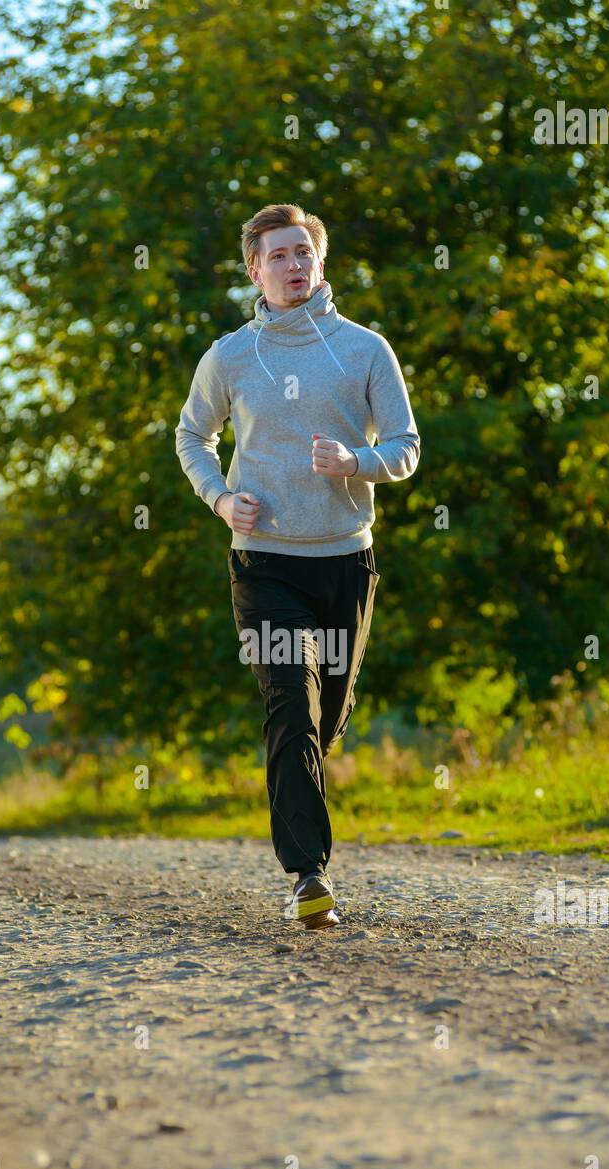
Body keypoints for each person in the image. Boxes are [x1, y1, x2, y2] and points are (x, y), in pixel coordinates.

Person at [175, 203, 420, 927]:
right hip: (264, 564)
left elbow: (405, 446)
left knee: (325, 717)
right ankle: (307, 875)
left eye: (301, 253)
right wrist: (220, 500)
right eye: (277, 256)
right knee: (289, 706)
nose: (291, 266)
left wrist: (357, 462)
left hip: (344, 561)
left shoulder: (364, 349)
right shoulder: (229, 356)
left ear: (320, 263)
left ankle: (311, 788)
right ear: (255, 271)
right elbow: (193, 435)